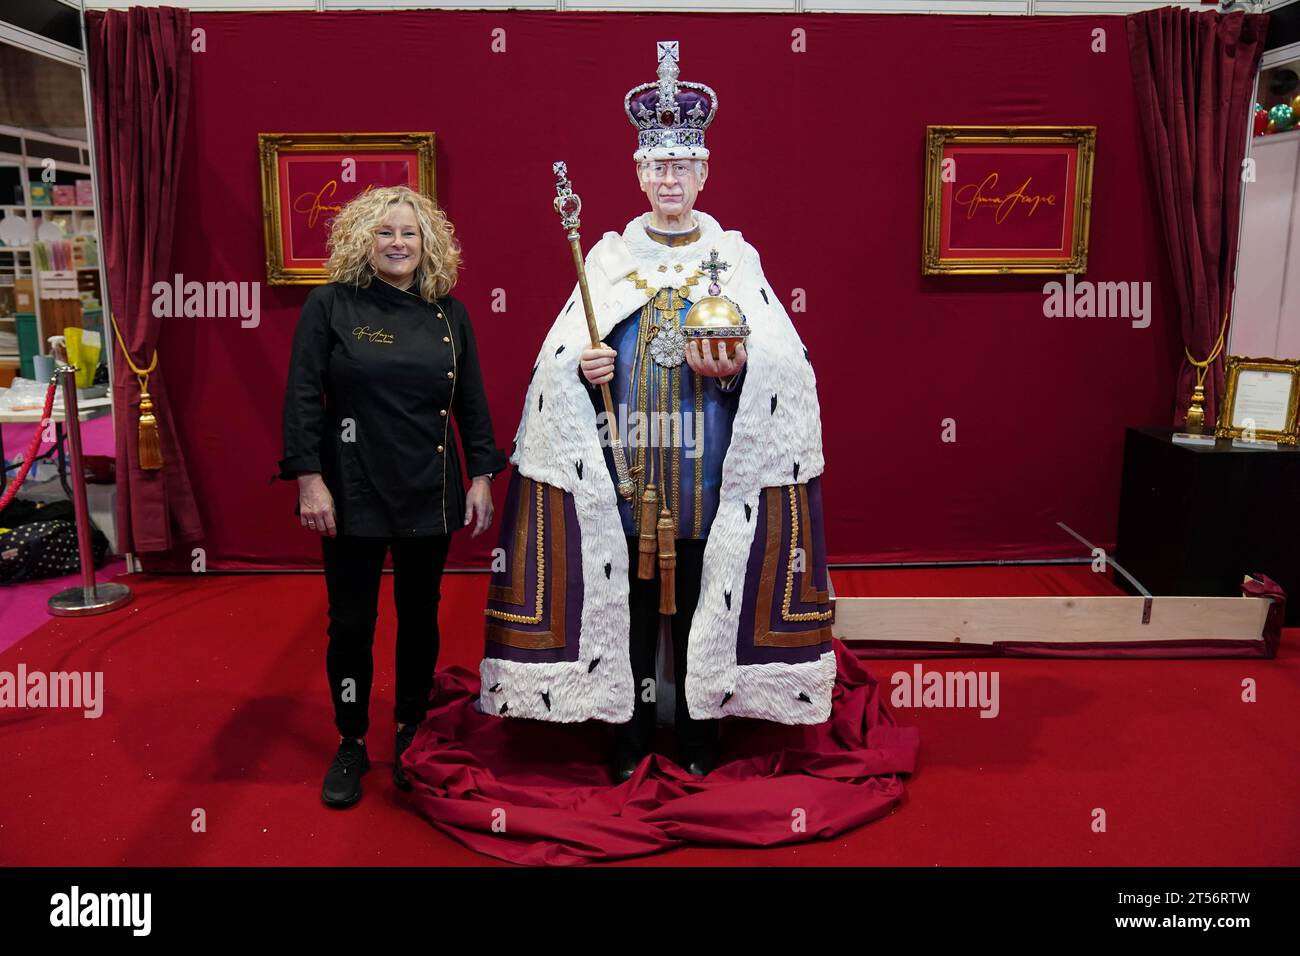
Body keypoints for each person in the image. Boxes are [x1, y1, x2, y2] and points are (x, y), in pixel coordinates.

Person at [479, 41, 835, 782]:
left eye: (682, 165)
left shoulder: (736, 260)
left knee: (709, 595)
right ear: (638, 174)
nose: (669, 178)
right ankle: (632, 725)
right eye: (656, 166)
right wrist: (584, 367)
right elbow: (557, 370)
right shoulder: (607, 260)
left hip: (710, 471)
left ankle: (702, 727)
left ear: (704, 173)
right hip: (627, 467)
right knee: (635, 602)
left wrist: (741, 368)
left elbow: (785, 369)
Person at [279, 185, 506, 807]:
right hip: (348, 488)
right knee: (350, 624)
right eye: (385, 233)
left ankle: (410, 730)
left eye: (409, 233)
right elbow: (302, 396)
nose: (398, 243)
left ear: (427, 243)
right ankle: (351, 739)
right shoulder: (330, 306)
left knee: (419, 616)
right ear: (363, 240)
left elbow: (471, 403)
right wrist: (308, 478)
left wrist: (481, 475)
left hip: (427, 488)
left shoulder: (450, 313)